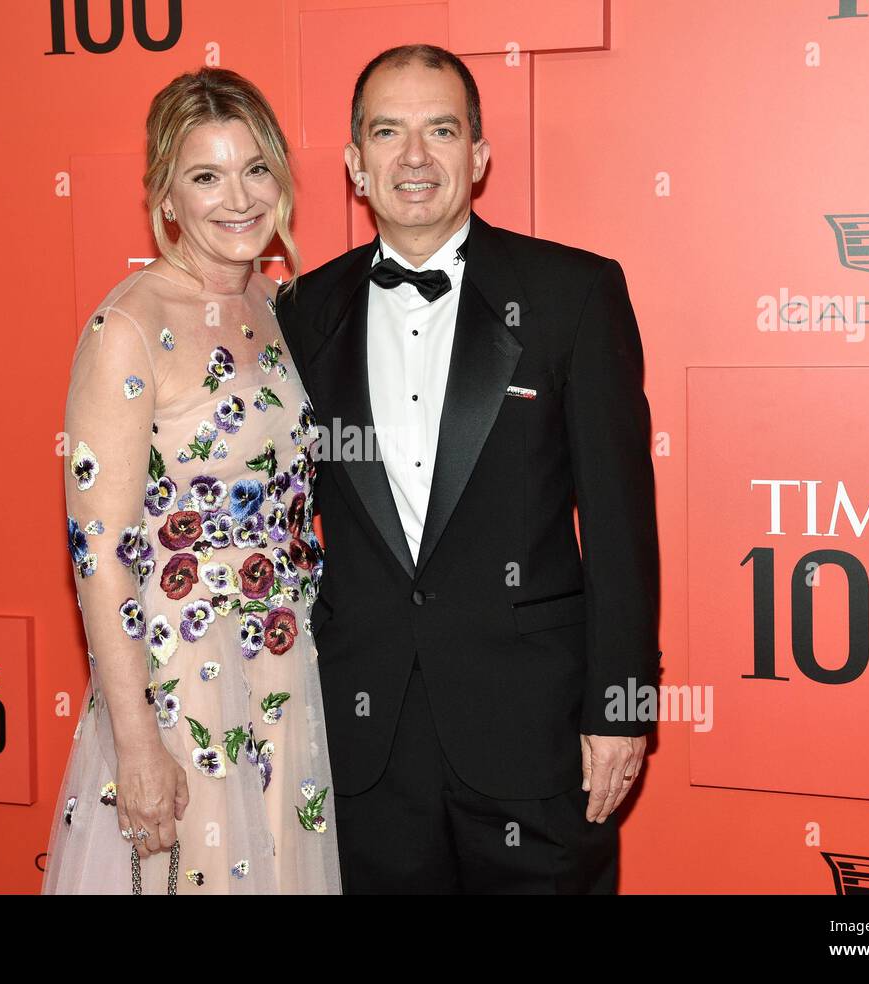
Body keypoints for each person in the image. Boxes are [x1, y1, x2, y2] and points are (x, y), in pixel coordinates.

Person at [275, 44, 662, 894]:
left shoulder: (574, 293)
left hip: (537, 733)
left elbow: (621, 523)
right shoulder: (298, 313)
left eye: (440, 130)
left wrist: (622, 709)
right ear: (355, 163)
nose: (414, 156)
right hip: (364, 741)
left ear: (479, 156)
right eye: (388, 132)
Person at [41, 67, 341, 894]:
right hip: (184, 678)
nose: (237, 197)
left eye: (255, 169)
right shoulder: (129, 328)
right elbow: (96, 550)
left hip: (286, 661)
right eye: (205, 176)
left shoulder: (279, 304)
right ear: (165, 197)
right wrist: (135, 741)